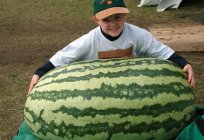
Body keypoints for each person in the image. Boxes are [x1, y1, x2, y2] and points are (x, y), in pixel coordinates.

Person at [27, 0, 195, 94]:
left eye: (118, 17)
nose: (113, 24)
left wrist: (183, 63)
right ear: (96, 20)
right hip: (97, 90)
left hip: (133, 87)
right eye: (106, 20)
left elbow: (161, 51)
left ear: (125, 15)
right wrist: (40, 72)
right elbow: (64, 56)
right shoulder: (89, 40)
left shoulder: (138, 34)